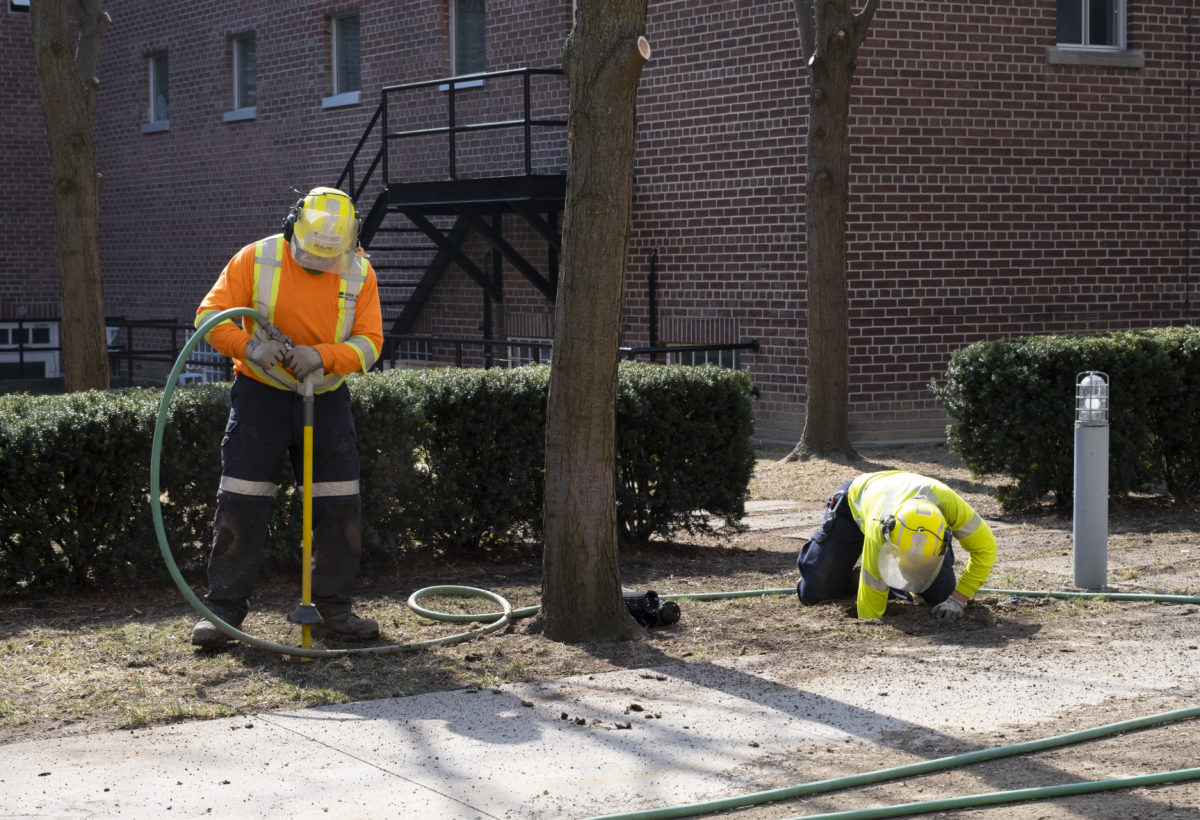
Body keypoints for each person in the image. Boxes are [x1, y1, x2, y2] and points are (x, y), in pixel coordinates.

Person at [190, 186, 384, 649]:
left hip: (327, 397)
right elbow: (209, 316)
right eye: (310, 253)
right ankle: (223, 612)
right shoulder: (255, 259)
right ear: (293, 226)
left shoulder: (360, 271)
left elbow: (371, 342)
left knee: (338, 504)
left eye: (328, 256)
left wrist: (322, 356)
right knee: (242, 498)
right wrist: (251, 346)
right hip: (262, 394)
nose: (319, 262)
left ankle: (333, 612)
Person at [795, 470, 997, 621]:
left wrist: (958, 599)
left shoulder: (951, 506)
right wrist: (871, 622)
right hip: (854, 504)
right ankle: (823, 567)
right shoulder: (880, 524)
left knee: (941, 596)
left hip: (903, 500)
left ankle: (891, 583)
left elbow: (986, 549)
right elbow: (871, 600)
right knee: (815, 593)